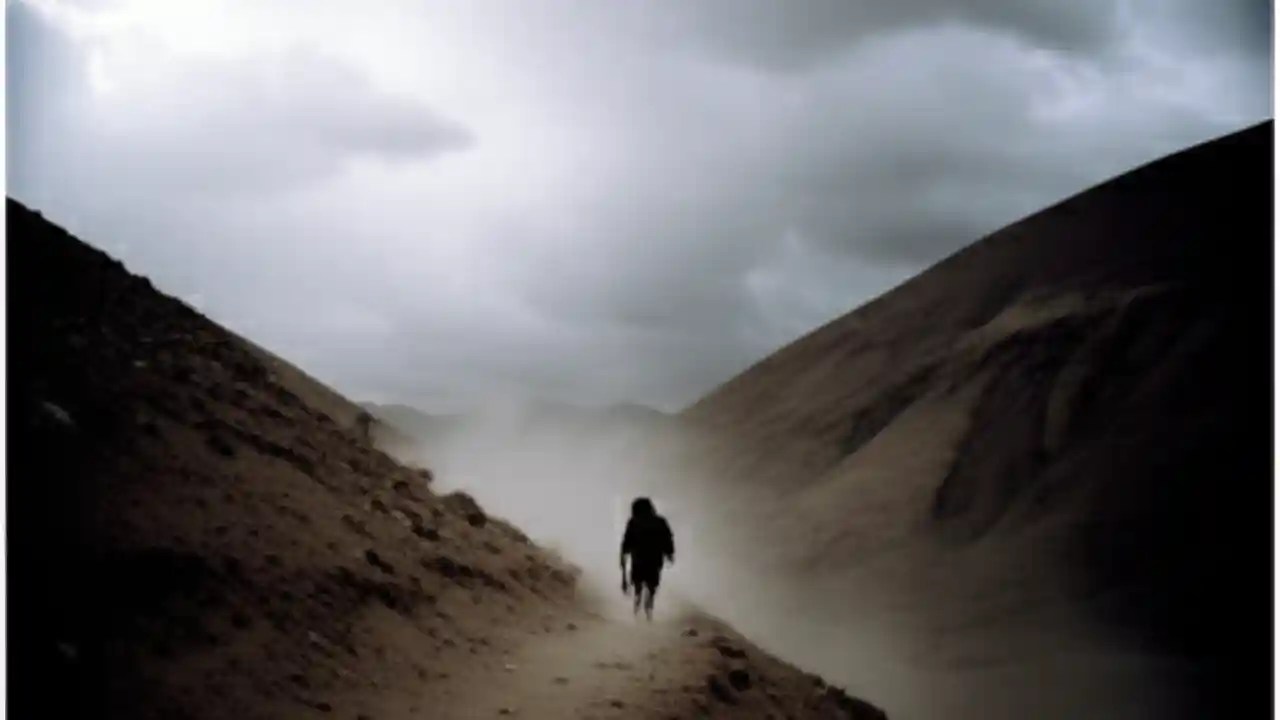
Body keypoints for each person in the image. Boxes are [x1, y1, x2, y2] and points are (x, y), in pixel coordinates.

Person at [620, 497, 674, 621]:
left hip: (639, 561)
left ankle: (637, 614)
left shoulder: (634, 522)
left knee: (638, 589)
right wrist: (669, 553)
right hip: (654, 560)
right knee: (651, 587)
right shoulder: (660, 521)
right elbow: (667, 539)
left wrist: (623, 575)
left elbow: (625, 545)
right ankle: (648, 614)